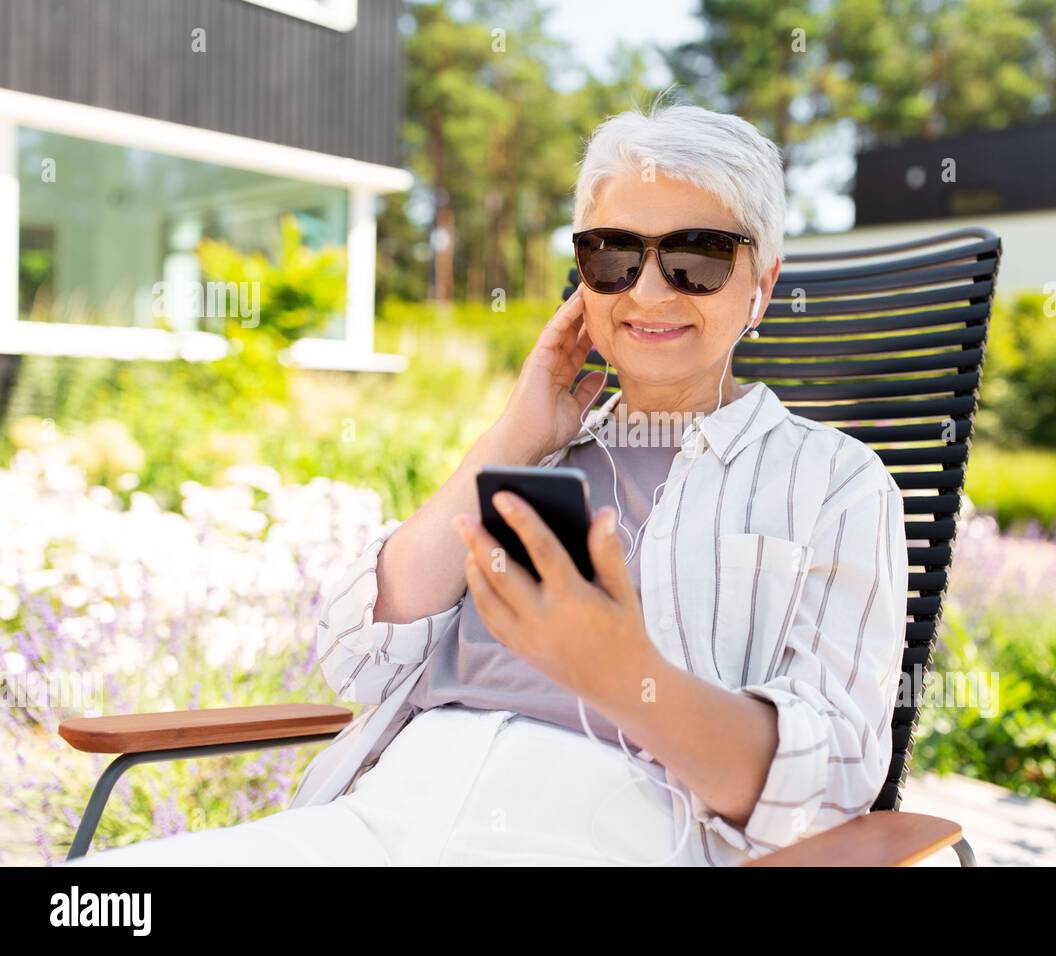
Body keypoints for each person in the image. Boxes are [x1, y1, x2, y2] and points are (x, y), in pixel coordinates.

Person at [65, 95, 908, 868]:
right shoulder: (540, 453)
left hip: (612, 834)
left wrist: (626, 678)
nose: (648, 288)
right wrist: (513, 435)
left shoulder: (833, 483)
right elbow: (359, 657)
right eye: (613, 254)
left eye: (697, 255)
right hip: (378, 817)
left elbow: (829, 781)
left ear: (762, 288)